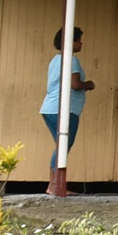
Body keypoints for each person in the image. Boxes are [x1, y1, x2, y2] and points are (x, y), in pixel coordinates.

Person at [42, 27, 93, 171]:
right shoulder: (71, 60)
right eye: (78, 40)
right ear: (70, 41)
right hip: (63, 109)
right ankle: (55, 183)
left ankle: (54, 183)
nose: (81, 44)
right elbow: (75, 84)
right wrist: (89, 84)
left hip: (51, 108)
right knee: (63, 145)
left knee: (62, 145)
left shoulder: (55, 60)